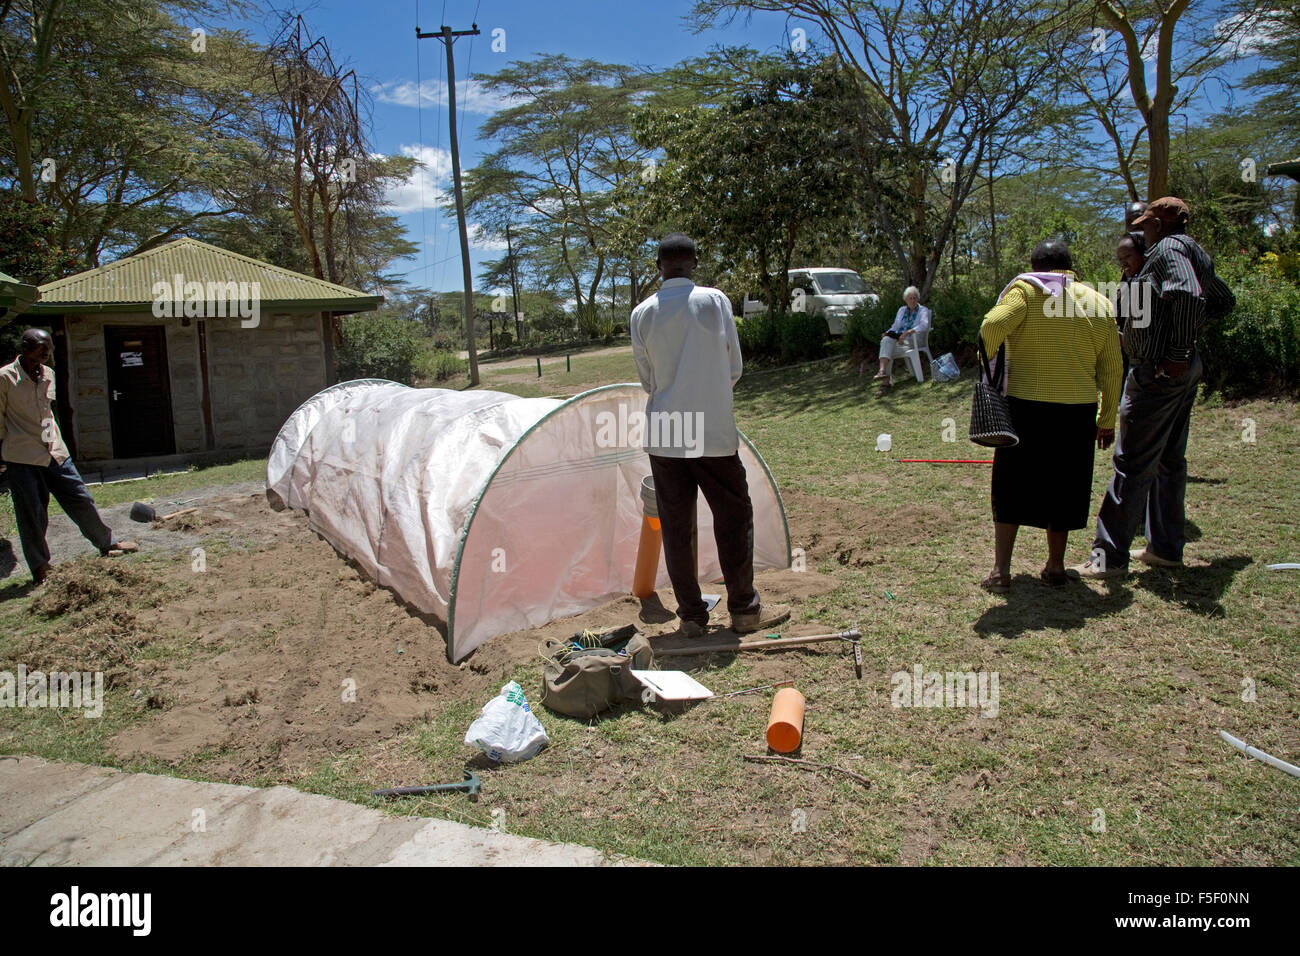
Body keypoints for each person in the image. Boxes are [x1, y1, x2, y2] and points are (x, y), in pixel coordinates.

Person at [630, 234, 790, 637]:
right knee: (733, 516)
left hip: (666, 430)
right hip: (711, 428)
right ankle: (743, 609)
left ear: (658, 267)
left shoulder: (642, 314)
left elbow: (648, 380)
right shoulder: (715, 301)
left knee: (676, 524)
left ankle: (691, 617)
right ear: (695, 263)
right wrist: (708, 391)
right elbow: (733, 366)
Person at [1076, 196, 1235, 577]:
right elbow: (1222, 301)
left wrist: (1175, 351)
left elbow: (1187, 295)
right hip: (1177, 372)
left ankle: (1108, 558)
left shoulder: (1167, 250)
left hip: (1159, 376)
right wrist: (1185, 337)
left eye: (1145, 225)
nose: (1140, 231)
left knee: (1130, 462)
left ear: (1160, 226)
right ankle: (1164, 548)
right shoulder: (1195, 252)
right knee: (1168, 461)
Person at [977, 240, 1123, 592]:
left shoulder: (1027, 291)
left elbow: (990, 327)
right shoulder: (1100, 303)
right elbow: (1113, 370)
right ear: (1071, 266)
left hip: (1026, 408)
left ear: (1034, 264)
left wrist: (993, 371)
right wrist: (1106, 420)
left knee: (1011, 487)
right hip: (1078, 413)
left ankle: (1000, 571)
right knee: (1065, 487)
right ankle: (1055, 567)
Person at [0, 328, 136, 585]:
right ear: (26, 347)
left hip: (55, 451)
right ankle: (40, 567)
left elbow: (48, 413)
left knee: (81, 498)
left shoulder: (48, 374)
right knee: (33, 514)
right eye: (42, 347)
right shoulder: (5, 378)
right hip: (23, 456)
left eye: (49, 347)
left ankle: (107, 544)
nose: (47, 353)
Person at [873, 286, 931, 394]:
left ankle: (885, 383)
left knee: (887, 350)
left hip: (914, 340)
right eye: (910, 298)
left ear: (918, 299)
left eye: (914, 298)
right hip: (899, 339)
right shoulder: (902, 310)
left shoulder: (923, 310)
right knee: (886, 341)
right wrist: (887, 333)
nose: (912, 300)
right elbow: (895, 326)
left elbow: (924, 325)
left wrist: (908, 332)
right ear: (906, 300)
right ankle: (882, 373)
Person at [1113, 231, 1147, 380]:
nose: (1124, 263)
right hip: (1126, 361)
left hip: (1144, 363)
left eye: (1128, 257)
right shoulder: (1128, 280)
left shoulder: (1150, 282)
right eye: (1121, 259)